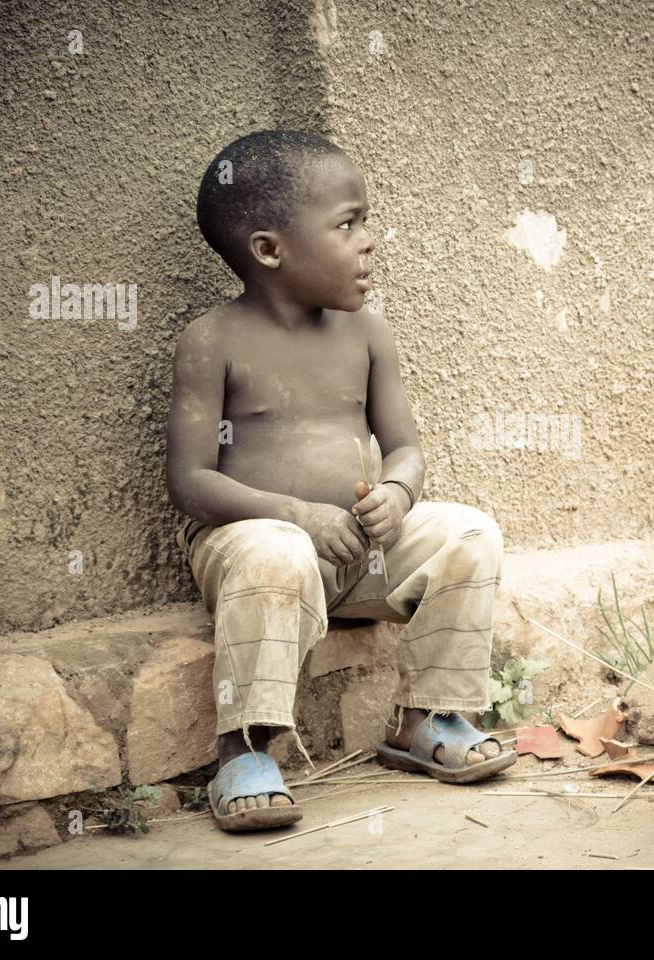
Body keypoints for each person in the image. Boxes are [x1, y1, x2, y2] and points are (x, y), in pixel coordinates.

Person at [167, 130, 514, 832]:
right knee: (276, 549)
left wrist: (398, 493)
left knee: (470, 532)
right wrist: (296, 514)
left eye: (366, 221)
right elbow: (189, 480)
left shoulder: (367, 335)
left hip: (361, 554)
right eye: (347, 224)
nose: (369, 240)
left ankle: (430, 718)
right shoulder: (214, 340)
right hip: (262, 558)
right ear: (271, 250)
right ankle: (244, 749)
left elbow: (407, 448)